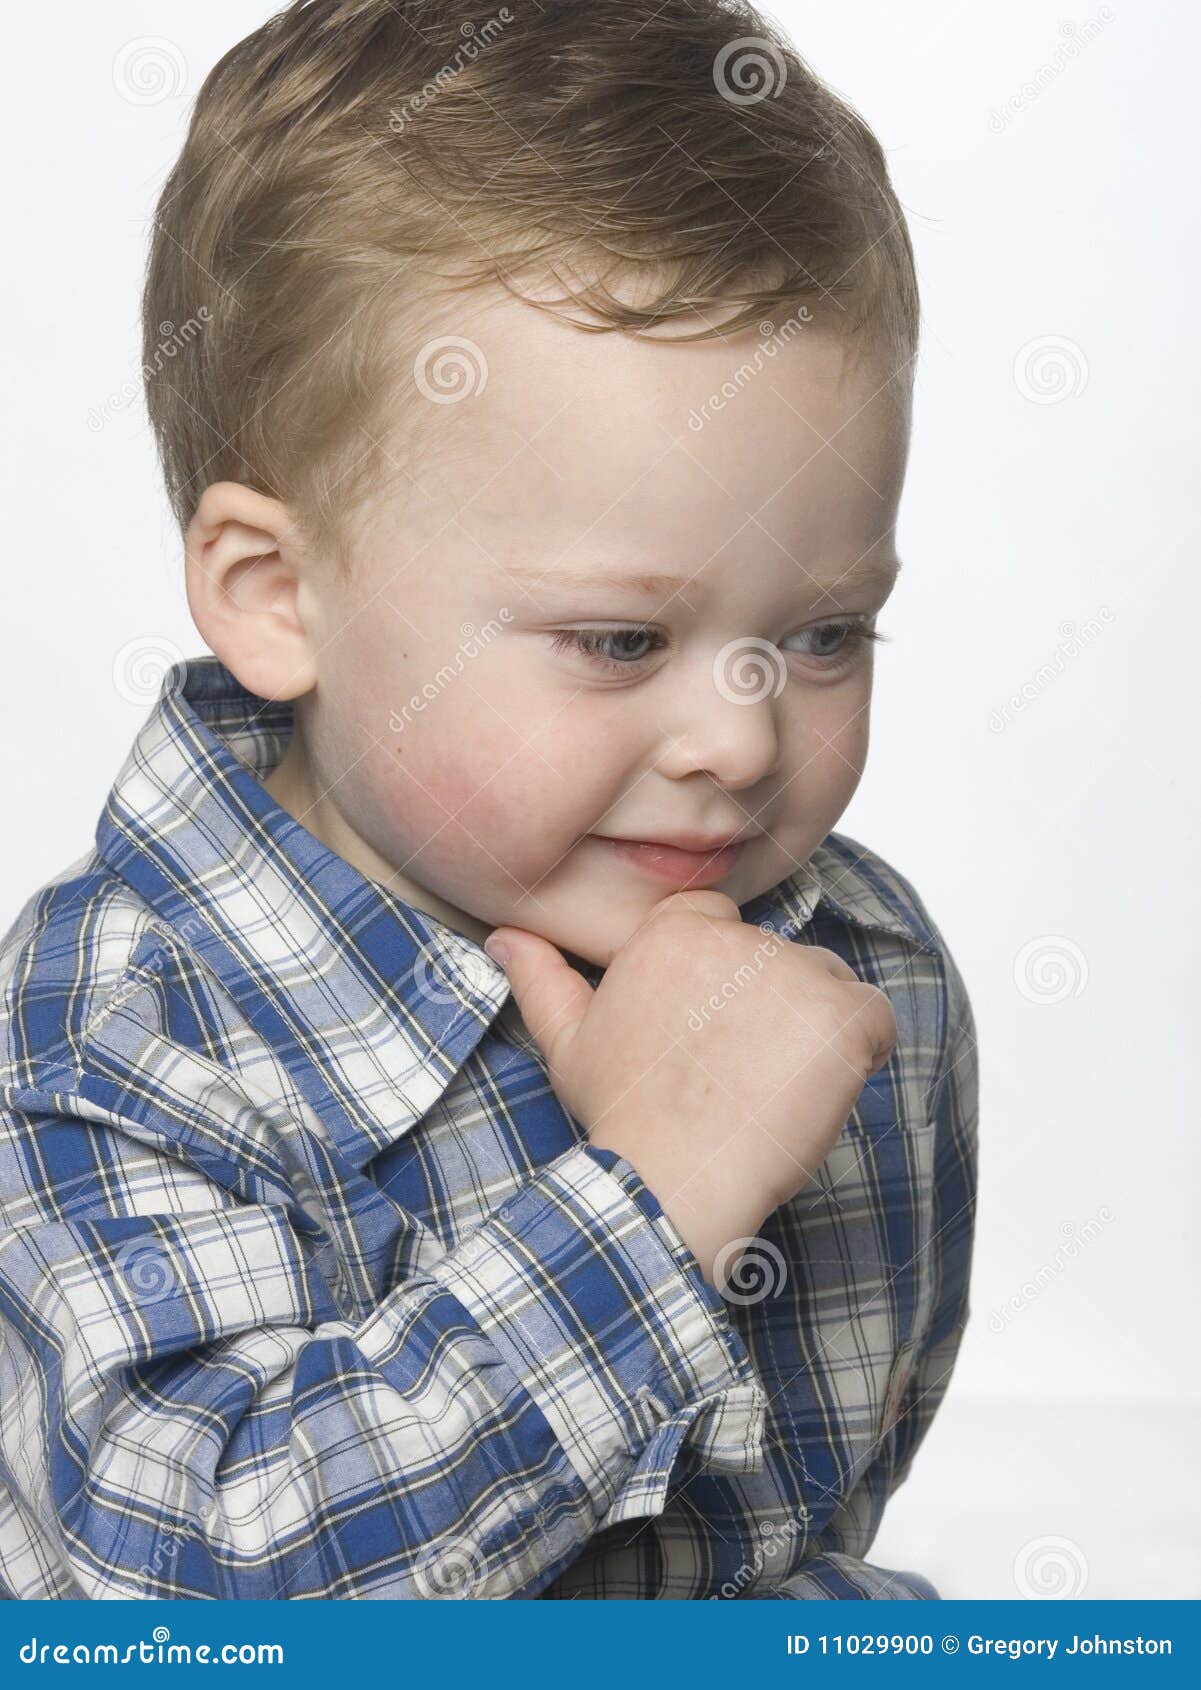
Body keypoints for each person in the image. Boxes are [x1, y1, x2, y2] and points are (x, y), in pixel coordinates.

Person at [0, 0, 977, 1599]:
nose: (738, 739)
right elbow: (195, 1606)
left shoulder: (859, 970)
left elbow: (793, 1531)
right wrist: (650, 1201)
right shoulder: (123, 1025)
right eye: (617, 638)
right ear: (275, 592)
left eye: (820, 632)